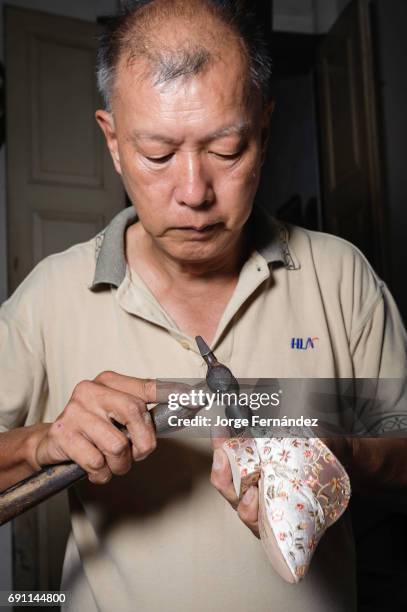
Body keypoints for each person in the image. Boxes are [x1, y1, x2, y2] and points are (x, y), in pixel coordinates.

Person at [0, 1, 406, 610]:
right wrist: (42, 444)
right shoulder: (48, 296)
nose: (193, 193)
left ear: (263, 133)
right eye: (157, 155)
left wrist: (341, 457)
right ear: (113, 142)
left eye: (226, 150)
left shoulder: (341, 276)